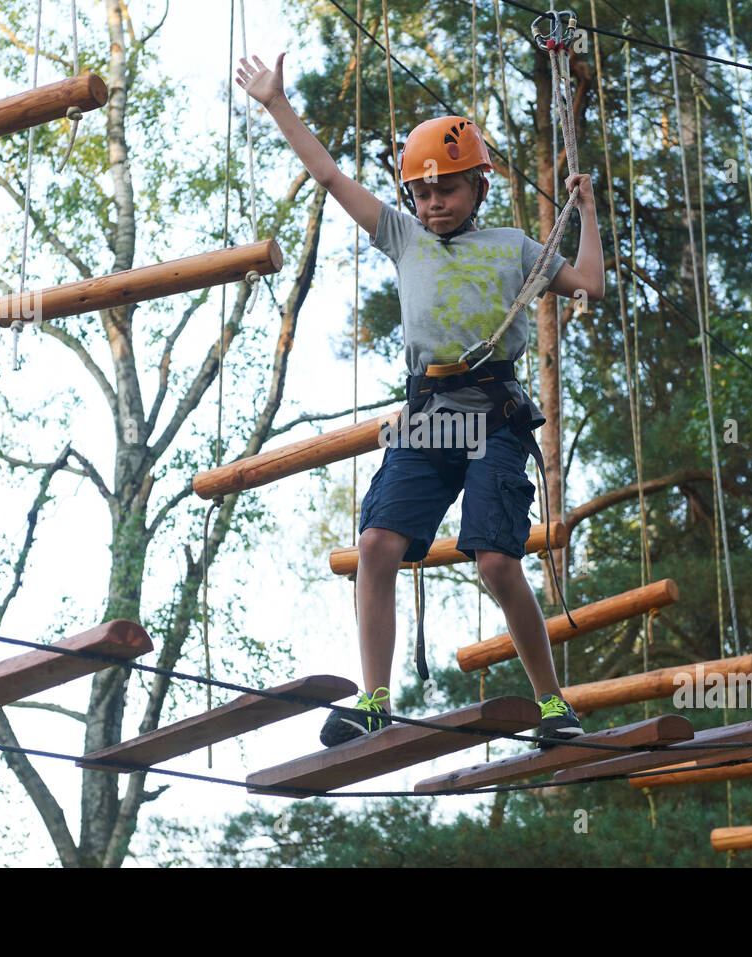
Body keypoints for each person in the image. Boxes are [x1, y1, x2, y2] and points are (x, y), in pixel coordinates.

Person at [236, 53, 605, 748]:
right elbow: (329, 175)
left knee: (496, 559)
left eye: (448, 191)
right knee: (376, 543)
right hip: (430, 413)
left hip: (493, 412)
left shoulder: (513, 246)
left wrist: (586, 212)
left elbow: (591, 282)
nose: (434, 204)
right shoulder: (401, 236)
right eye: (423, 193)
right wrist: (277, 104)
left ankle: (553, 702)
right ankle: (374, 698)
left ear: (478, 189)